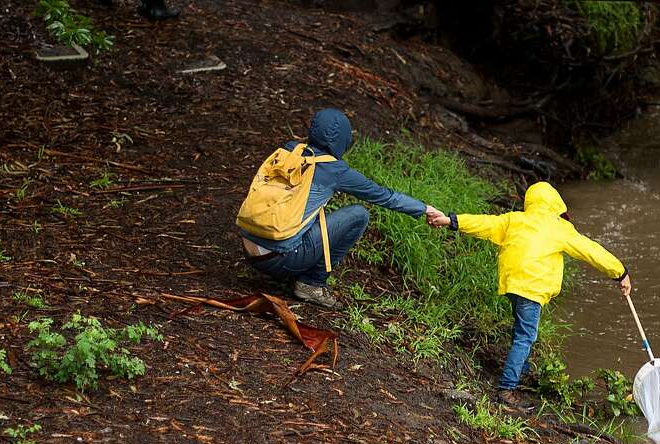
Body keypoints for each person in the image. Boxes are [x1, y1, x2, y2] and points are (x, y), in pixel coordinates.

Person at [428, 182, 631, 409]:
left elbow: (483, 223)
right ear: (556, 203)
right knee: (525, 336)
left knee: (522, 331)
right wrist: (620, 272)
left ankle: (521, 372)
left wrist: (450, 220)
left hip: (513, 284)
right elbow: (592, 251)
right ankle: (507, 389)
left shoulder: (515, 219)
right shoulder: (560, 228)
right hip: (532, 288)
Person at [239, 108, 445, 308]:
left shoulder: (289, 149)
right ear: (342, 140)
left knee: (312, 211)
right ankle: (311, 284)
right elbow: (385, 197)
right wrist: (425, 209)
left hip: (249, 248)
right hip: (279, 259)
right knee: (358, 215)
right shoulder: (336, 171)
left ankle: (292, 263)